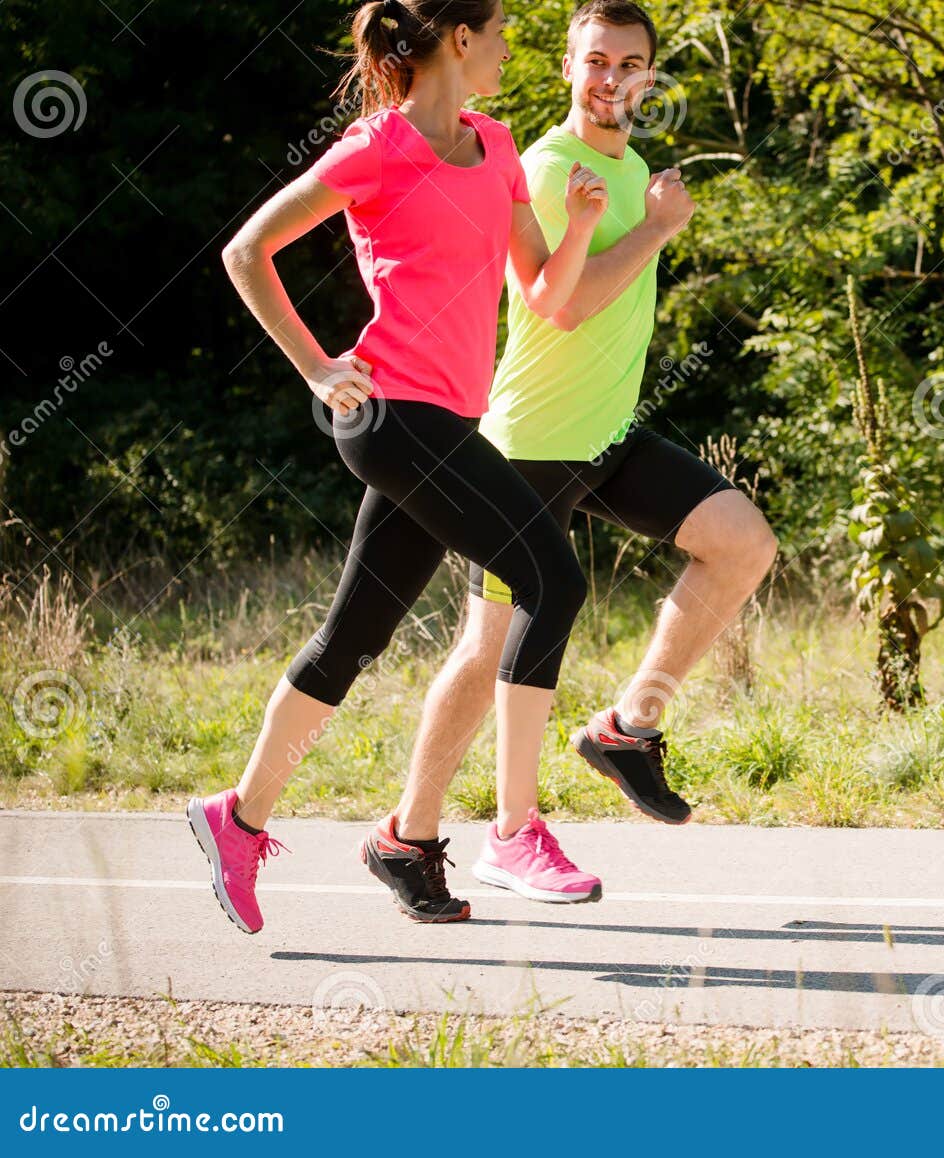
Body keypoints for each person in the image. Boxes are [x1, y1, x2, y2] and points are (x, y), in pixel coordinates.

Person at [186, 0, 609, 934]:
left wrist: (580, 224)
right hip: (389, 415)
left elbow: (540, 292)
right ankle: (510, 824)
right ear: (458, 40)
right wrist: (317, 365)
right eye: (498, 32)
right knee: (554, 578)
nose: (508, 48)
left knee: (353, 637)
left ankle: (243, 819)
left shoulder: (496, 148)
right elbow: (246, 250)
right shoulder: (374, 149)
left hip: (450, 421)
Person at [359, 0, 776, 920]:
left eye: (630, 63)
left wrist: (653, 214)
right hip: (534, 444)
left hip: (608, 435)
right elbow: (563, 303)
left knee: (742, 542)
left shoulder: (630, 169)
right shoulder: (548, 168)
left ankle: (629, 727)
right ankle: (422, 833)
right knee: (486, 650)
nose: (611, 78)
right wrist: (660, 229)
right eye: (595, 60)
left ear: (649, 78)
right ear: (567, 68)